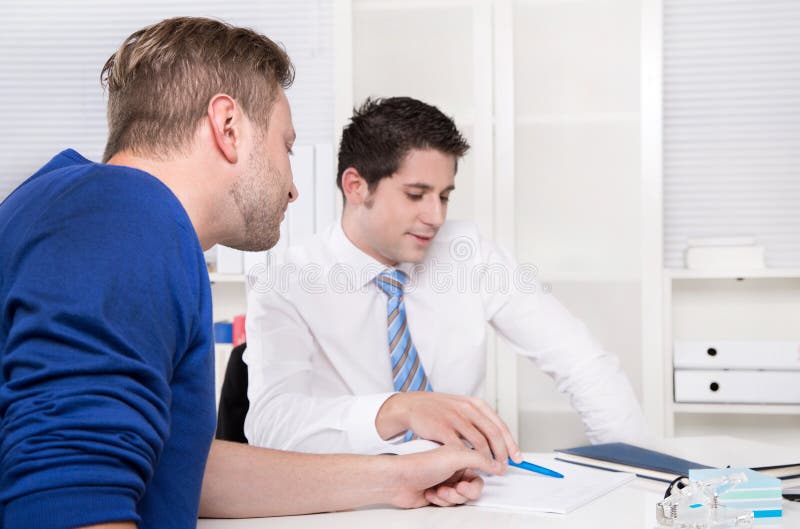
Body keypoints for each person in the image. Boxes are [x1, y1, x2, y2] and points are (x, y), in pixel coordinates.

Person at [0, 18, 505, 529]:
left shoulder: (88, 211)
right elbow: (66, 501)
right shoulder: (125, 217)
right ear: (227, 128)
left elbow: (183, 470)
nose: (293, 187)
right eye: (285, 147)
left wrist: (397, 479)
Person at [243, 97, 649, 463]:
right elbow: (271, 425)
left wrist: (639, 476)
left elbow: (582, 363)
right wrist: (397, 409)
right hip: (358, 500)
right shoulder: (286, 282)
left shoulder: (467, 252)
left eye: (444, 196)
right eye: (416, 195)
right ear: (356, 186)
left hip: (467, 492)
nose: (435, 217)